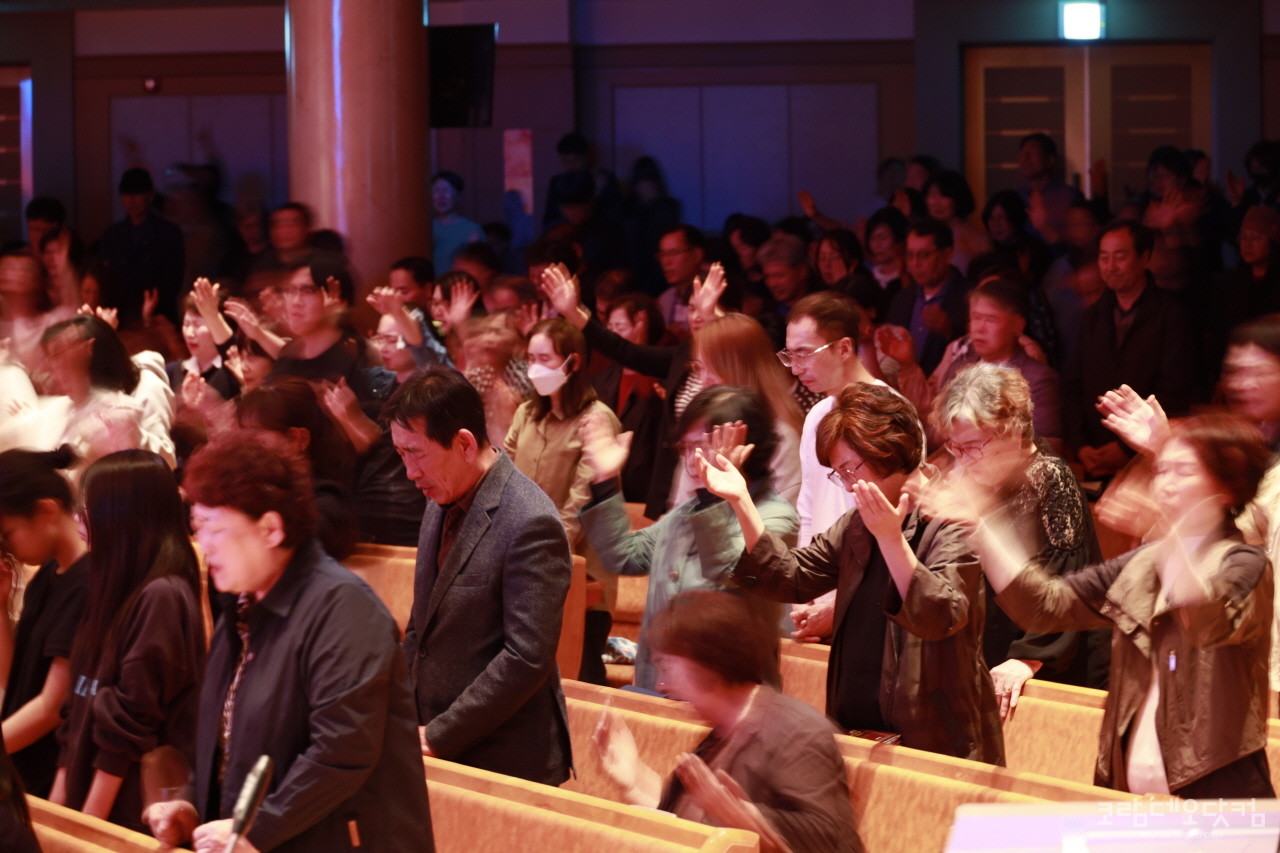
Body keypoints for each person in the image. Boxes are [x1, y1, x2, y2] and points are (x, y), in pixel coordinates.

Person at [145, 430, 433, 852]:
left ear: (270, 529)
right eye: (197, 527)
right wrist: (191, 806)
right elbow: (231, 740)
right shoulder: (242, 607)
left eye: (216, 528)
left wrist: (254, 829)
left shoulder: (344, 608)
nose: (204, 547)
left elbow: (342, 751)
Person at [964, 413, 1273, 798]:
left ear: (1227, 488)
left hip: (1218, 796)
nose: (1165, 483)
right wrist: (981, 525)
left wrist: (1168, 535)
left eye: (1183, 471)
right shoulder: (1144, 562)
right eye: (1162, 470)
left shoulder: (1246, 564)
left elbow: (1206, 625)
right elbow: (1042, 607)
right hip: (1126, 789)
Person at [704, 382, 1003, 763]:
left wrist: (892, 539)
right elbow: (792, 575)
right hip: (855, 729)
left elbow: (942, 613)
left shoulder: (951, 516)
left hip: (933, 739)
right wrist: (742, 500)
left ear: (887, 448)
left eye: (849, 468)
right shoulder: (858, 524)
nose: (845, 483)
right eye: (838, 473)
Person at [388, 367, 572, 784]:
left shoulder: (531, 520)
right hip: (434, 743)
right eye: (401, 454)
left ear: (465, 444)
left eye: (416, 452)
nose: (409, 471)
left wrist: (440, 734)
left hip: (505, 759)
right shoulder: (438, 497)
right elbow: (422, 625)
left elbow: (527, 657)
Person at [594, 591, 860, 853]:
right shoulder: (722, 733)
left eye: (667, 668)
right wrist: (632, 779)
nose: (662, 684)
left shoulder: (798, 732)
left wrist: (748, 819)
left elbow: (832, 843)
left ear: (706, 663)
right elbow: (691, 828)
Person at [579, 387, 799, 690]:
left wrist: (715, 496)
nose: (693, 459)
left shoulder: (776, 517)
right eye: (687, 447)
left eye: (705, 444)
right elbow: (625, 555)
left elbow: (728, 570)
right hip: (656, 687)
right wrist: (605, 480)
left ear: (746, 445)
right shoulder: (688, 511)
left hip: (729, 700)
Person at [925, 364, 1109, 712]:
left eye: (973, 446)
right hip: (997, 650)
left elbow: (1067, 579)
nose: (963, 458)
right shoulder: (977, 479)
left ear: (1011, 431)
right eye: (955, 447)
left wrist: (1029, 658)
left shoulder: (1051, 477)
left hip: (1054, 664)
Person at [51, 450, 205, 831]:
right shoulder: (112, 587)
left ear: (121, 517)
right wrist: (57, 814)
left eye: (88, 509)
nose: (78, 520)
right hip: (87, 802)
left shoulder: (162, 596)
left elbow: (128, 728)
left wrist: (83, 829)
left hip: (127, 818)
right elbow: (76, 709)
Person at [1062, 219, 1195, 479]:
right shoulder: (1092, 316)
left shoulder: (1171, 315)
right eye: (1104, 257)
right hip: (1093, 454)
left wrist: (1126, 447)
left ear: (1145, 258)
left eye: (1120, 257)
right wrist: (1081, 446)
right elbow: (1073, 387)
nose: (1110, 267)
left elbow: (1175, 392)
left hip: (1149, 457)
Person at [0, 446, 88, 797]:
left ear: (46, 511)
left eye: (8, 534)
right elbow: (13, 676)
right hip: (21, 765)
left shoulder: (86, 583)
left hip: (46, 777)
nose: (7, 547)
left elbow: (54, 707)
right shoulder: (49, 572)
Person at [97, 167, 184, 325]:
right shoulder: (112, 234)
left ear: (149, 196)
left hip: (159, 312)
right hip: (121, 314)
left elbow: (173, 279)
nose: (132, 200)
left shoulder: (168, 233)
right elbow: (107, 278)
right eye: (127, 195)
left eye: (137, 194)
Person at [883, 218, 971, 376]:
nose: (915, 263)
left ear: (947, 254)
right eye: (910, 255)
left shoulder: (968, 297)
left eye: (924, 255)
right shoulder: (903, 298)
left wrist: (950, 331)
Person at [431, 171, 483, 277]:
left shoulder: (472, 230)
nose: (441, 196)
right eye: (436, 190)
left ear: (458, 195)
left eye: (446, 191)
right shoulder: (426, 228)